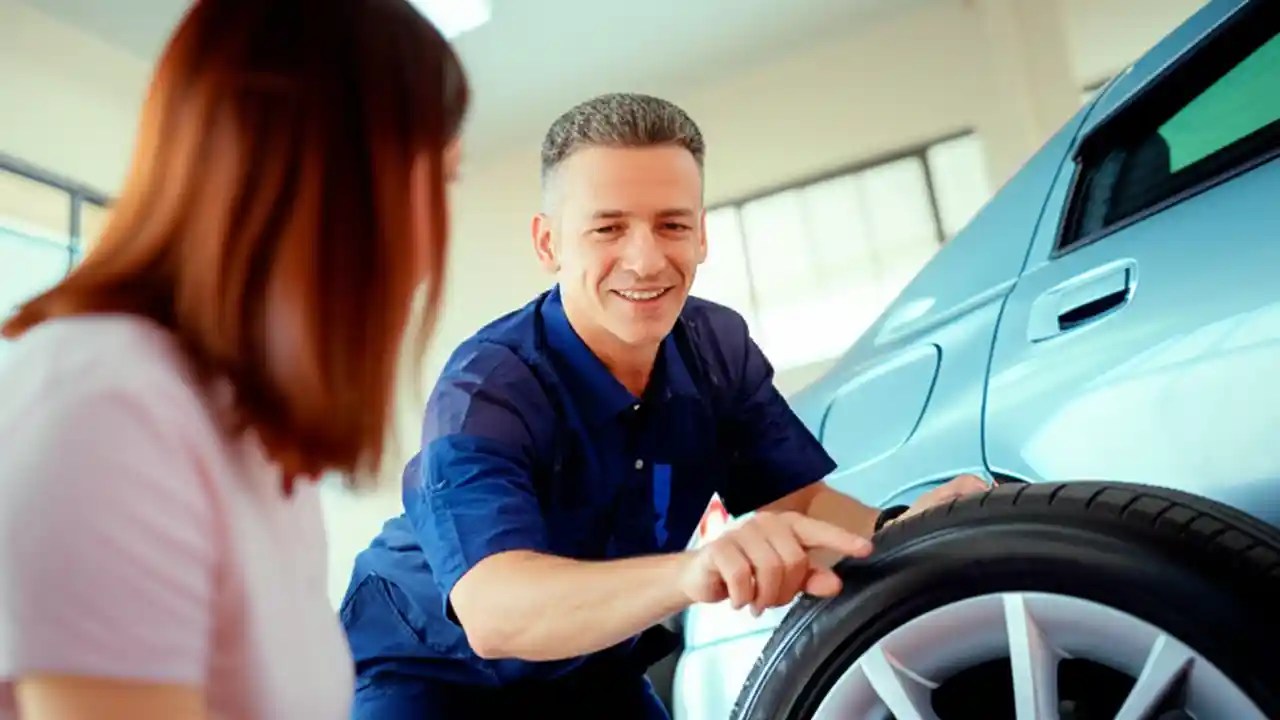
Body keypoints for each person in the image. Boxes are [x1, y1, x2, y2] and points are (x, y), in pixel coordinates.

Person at [340, 92, 988, 718]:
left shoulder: (716, 348)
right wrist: (694, 572)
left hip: (588, 666)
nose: (646, 261)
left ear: (701, 236)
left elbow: (800, 505)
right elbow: (494, 612)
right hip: (424, 669)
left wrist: (902, 531)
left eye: (672, 224)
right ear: (548, 244)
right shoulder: (488, 387)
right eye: (608, 228)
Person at [0, 1, 468, 718]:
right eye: (438, 178)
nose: (434, 243)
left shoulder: (257, 444)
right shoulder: (108, 407)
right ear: (334, 182)